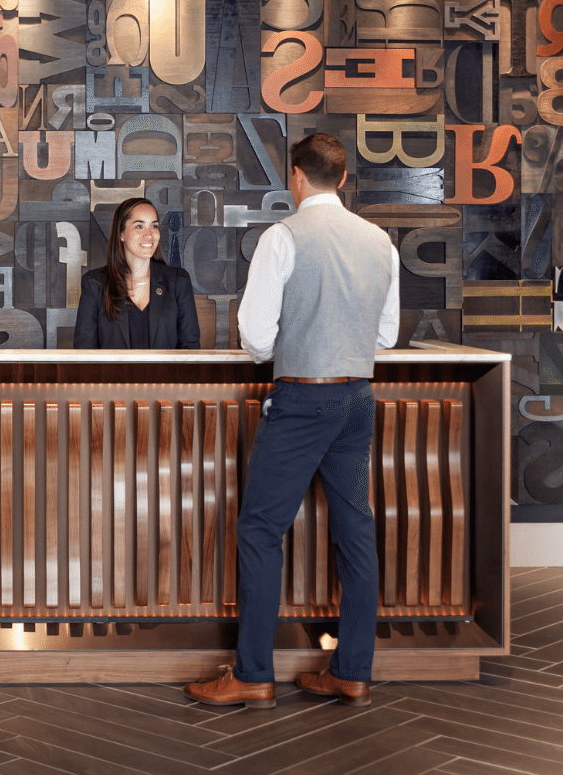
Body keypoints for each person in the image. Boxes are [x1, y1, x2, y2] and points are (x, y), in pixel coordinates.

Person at [184, 133, 400, 709]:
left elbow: (256, 338)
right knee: (356, 535)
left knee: (259, 531)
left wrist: (296, 340)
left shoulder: (283, 237)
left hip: (304, 399)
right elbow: (384, 336)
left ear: (296, 177)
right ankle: (352, 671)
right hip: (358, 398)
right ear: (343, 178)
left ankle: (254, 673)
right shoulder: (380, 242)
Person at [73, 197, 200, 350]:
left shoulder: (179, 281)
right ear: (121, 233)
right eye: (139, 226)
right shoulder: (94, 283)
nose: (149, 235)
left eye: (154, 226)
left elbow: (190, 351)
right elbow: (85, 353)